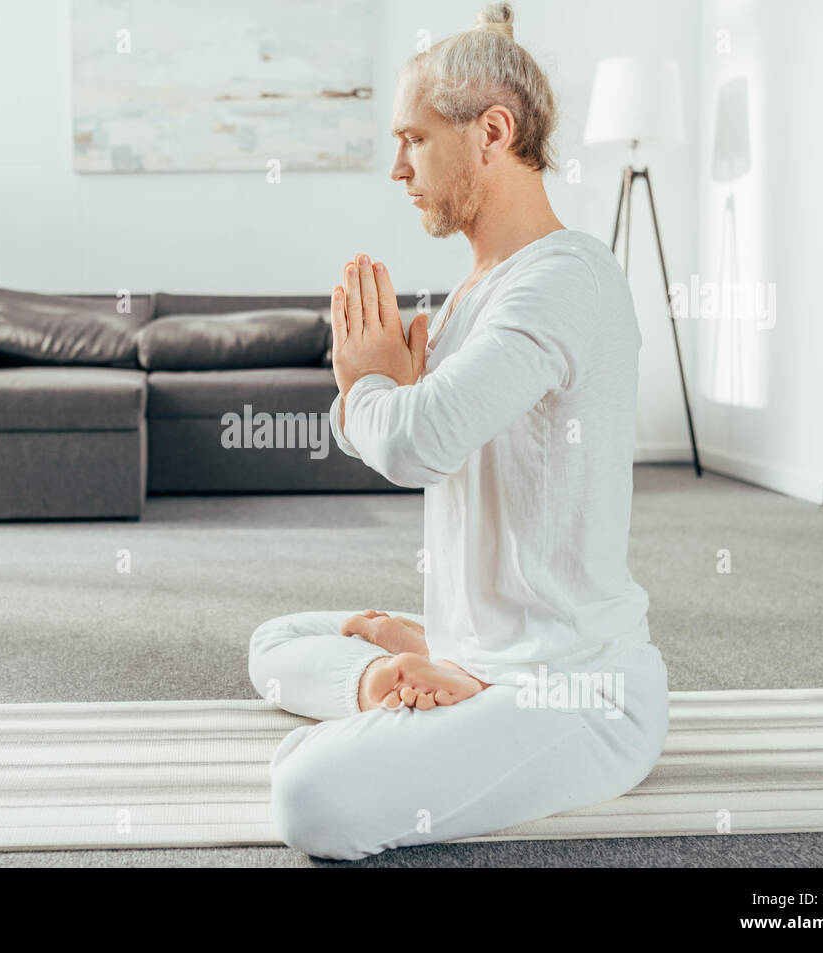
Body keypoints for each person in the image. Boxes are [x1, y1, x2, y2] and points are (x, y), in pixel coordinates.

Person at [248, 1, 669, 860]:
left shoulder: (566, 279)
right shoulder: (473, 296)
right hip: (479, 652)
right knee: (274, 643)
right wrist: (380, 395)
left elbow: (413, 443)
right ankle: (410, 676)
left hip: (571, 687)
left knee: (306, 795)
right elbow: (403, 428)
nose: (398, 168)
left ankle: (441, 685)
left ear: (492, 132)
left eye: (414, 139)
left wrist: (367, 384)